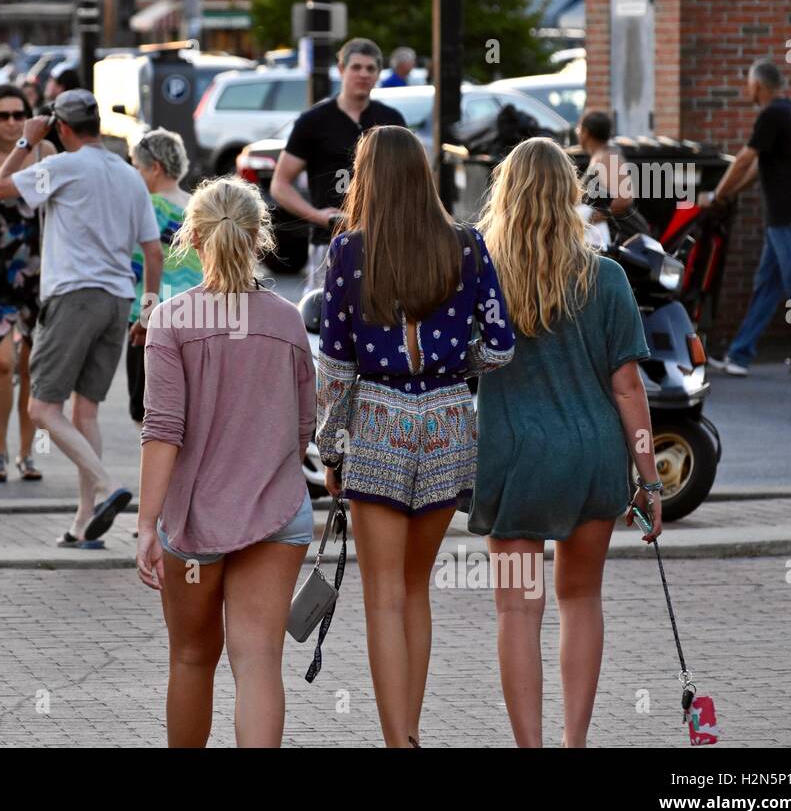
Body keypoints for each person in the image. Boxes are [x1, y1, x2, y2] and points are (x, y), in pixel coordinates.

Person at [316, 125, 515, 748]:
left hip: (376, 419)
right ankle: (413, 732)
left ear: (366, 178)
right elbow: (501, 346)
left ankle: (395, 738)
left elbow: (336, 364)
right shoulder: (468, 246)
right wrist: (456, 366)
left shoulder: (349, 253)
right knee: (415, 589)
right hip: (451, 420)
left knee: (382, 598)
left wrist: (330, 448)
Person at [471, 136, 664, 748]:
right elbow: (629, 387)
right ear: (569, 198)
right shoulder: (605, 278)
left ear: (507, 196)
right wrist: (650, 479)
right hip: (591, 456)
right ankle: (573, 742)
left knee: (517, 610)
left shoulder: (483, 274)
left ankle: (530, 746)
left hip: (515, 459)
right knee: (581, 598)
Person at [136, 176, 315, 748]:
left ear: (192, 237)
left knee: (191, 658)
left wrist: (146, 523)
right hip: (278, 512)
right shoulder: (287, 320)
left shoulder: (170, 321)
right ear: (258, 235)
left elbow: (162, 433)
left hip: (196, 521)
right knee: (260, 659)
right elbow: (304, 424)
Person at [0, 89, 163, 547]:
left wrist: (25, 143)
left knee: (42, 408)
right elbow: (152, 249)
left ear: (60, 128)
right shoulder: (128, 176)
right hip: (116, 302)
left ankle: (106, 486)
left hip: (74, 297)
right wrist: (146, 310)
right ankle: (84, 524)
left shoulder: (64, 166)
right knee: (86, 413)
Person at [703, 59, 791, 379]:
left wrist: (715, 195)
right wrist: (731, 193)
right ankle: (740, 355)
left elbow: (744, 159)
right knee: (767, 285)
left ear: (758, 86)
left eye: (749, 85)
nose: (747, 90)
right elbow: (757, 168)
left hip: (787, 216)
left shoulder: (771, 115)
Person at [271, 37, 406, 292]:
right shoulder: (314, 121)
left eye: (370, 68)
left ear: (378, 74)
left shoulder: (390, 119)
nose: (363, 74)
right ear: (342, 69)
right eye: (356, 67)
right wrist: (316, 216)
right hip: (328, 240)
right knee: (323, 321)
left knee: (384, 323)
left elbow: (410, 178)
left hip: (385, 240)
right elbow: (280, 185)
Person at [0, 84, 54, 481]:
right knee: (1, 360)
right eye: (1, 115)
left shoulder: (46, 153)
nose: (10, 122)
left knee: (32, 365)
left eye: (18, 114)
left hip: (42, 271)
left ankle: (29, 454)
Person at [125, 129, 203, 430]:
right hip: (196, 315)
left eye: (137, 167)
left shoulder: (151, 206)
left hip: (151, 317)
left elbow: (148, 259)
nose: (135, 174)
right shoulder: (197, 206)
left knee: (146, 413)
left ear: (154, 168)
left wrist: (145, 314)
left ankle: (158, 476)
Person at [576, 110, 648, 247]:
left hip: (626, 241)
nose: (577, 132)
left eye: (579, 128)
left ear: (586, 132)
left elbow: (625, 198)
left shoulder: (607, 157)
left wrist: (593, 217)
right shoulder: (601, 156)